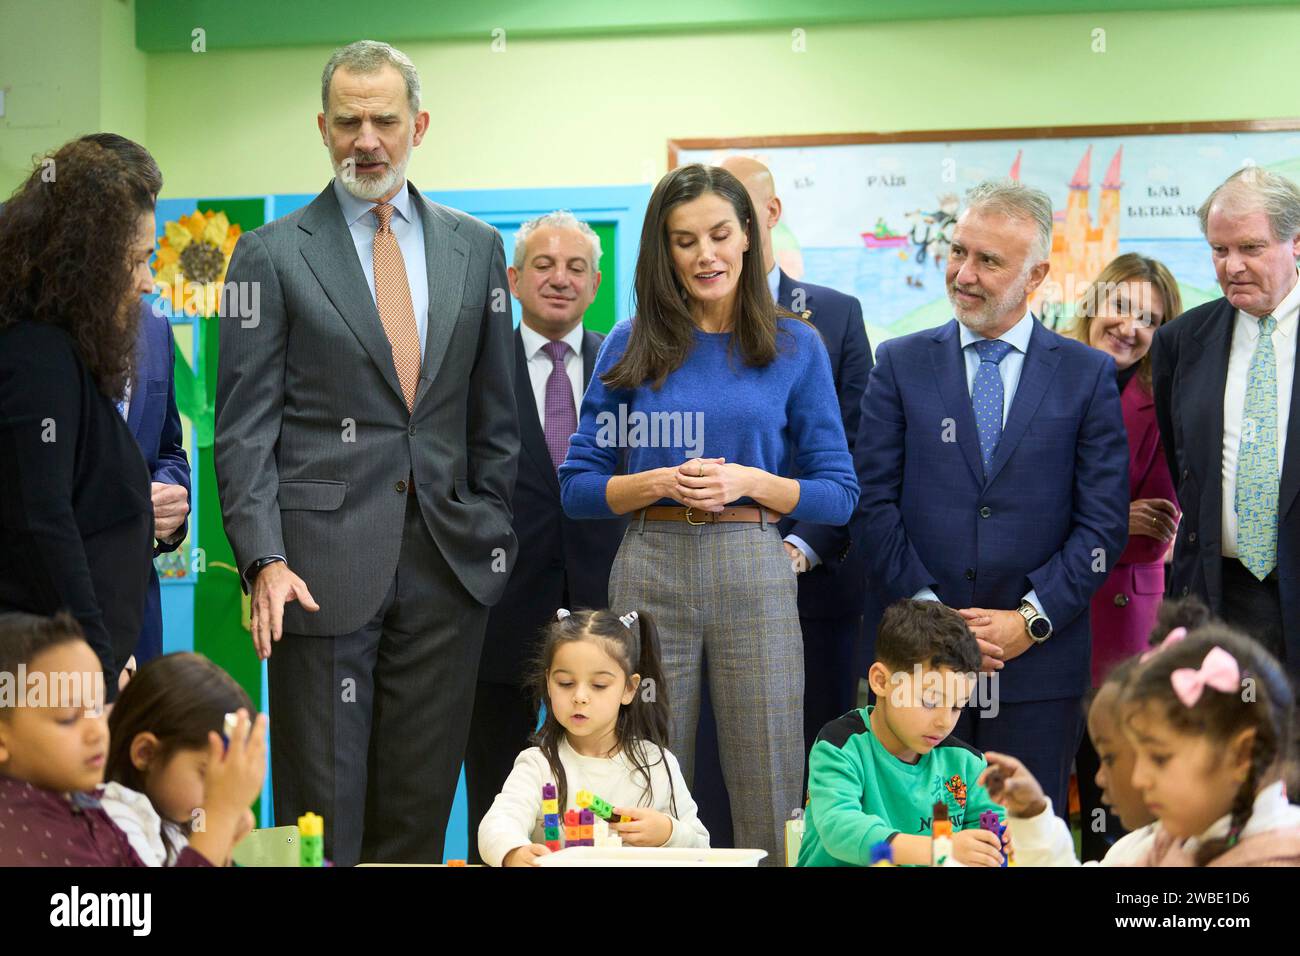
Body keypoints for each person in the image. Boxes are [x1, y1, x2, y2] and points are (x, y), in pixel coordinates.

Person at [214, 40, 518, 866]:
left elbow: (497, 420)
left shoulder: (477, 247)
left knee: (417, 819)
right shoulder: (270, 255)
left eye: (385, 120)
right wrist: (262, 559)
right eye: (348, 122)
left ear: (419, 124)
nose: (367, 140)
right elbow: (243, 430)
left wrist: (488, 529)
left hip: (448, 571)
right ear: (322, 127)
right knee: (325, 818)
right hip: (315, 577)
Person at [559, 164, 858, 863]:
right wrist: (653, 481)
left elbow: (838, 494)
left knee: (771, 776)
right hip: (649, 567)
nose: (705, 255)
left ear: (750, 236)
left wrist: (752, 482)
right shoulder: (628, 343)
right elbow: (577, 488)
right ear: (663, 252)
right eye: (683, 240)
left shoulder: (796, 346)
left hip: (754, 568)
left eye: (720, 234)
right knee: (647, 774)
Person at [854, 179, 1130, 821]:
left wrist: (1029, 620)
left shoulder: (1085, 375)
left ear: (1036, 275)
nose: (964, 274)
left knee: (1022, 841)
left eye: (989, 261)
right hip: (910, 668)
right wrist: (935, 624)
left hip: (1036, 672)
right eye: (958, 252)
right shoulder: (898, 364)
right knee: (912, 844)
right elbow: (872, 505)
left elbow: (1102, 524)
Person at [690, 158, 871, 843]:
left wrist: (799, 545)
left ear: (765, 216)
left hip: (814, 588)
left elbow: (855, 450)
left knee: (804, 781)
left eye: (733, 209)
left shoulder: (835, 317)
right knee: (705, 778)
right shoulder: (664, 325)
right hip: (698, 585)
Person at [465, 212, 626, 863]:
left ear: (593, 285)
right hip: (497, 618)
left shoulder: (625, 364)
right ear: (513, 279)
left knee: (604, 798)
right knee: (501, 796)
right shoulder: (472, 363)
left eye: (576, 268)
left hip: (606, 615)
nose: (560, 279)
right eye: (544, 264)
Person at [0, 135, 161, 700]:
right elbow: (42, 525)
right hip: (55, 681)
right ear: (89, 261)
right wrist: (94, 661)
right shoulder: (37, 357)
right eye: (138, 260)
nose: (148, 281)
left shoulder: (64, 355)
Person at [1151, 165, 1300, 677]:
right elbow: (1184, 461)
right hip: (1216, 596)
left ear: (1296, 242)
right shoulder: (1180, 341)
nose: (1231, 265)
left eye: (1250, 248)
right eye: (1219, 250)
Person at [988, 623, 1300, 866]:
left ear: (1242, 755)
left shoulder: (1278, 857)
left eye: (1160, 758)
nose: (1139, 778)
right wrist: (1033, 815)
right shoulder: (1173, 841)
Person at [1067, 252, 1182, 857]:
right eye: (1121, 307)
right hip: (1038, 607)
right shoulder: (1048, 375)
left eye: (1150, 319)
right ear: (1093, 304)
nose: (1130, 327)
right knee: (1031, 776)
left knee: (1112, 786)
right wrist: (1113, 515)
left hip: (1120, 619)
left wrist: (1078, 523)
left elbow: (1154, 530)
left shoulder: (1162, 398)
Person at [0, 611, 265, 867]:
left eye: (97, 708)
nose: (97, 731)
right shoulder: (24, 830)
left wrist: (221, 834)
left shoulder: (86, 804)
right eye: (69, 717)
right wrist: (220, 816)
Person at [477, 608, 709, 866]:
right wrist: (513, 852)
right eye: (565, 683)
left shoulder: (657, 763)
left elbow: (702, 846)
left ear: (629, 689)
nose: (580, 697)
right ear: (548, 684)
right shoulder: (538, 764)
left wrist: (668, 832)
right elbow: (497, 824)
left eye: (599, 685)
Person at [797, 599, 1006, 867]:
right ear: (881, 681)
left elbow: (992, 832)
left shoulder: (968, 764)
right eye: (930, 701)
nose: (944, 722)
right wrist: (941, 850)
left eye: (957, 707)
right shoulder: (839, 747)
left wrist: (997, 844)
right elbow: (840, 831)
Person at [101, 652, 256, 866]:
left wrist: (224, 847)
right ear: (146, 753)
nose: (216, 793)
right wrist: (220, 820)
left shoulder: (182, 820)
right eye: (205, 774)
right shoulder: (116, 822)